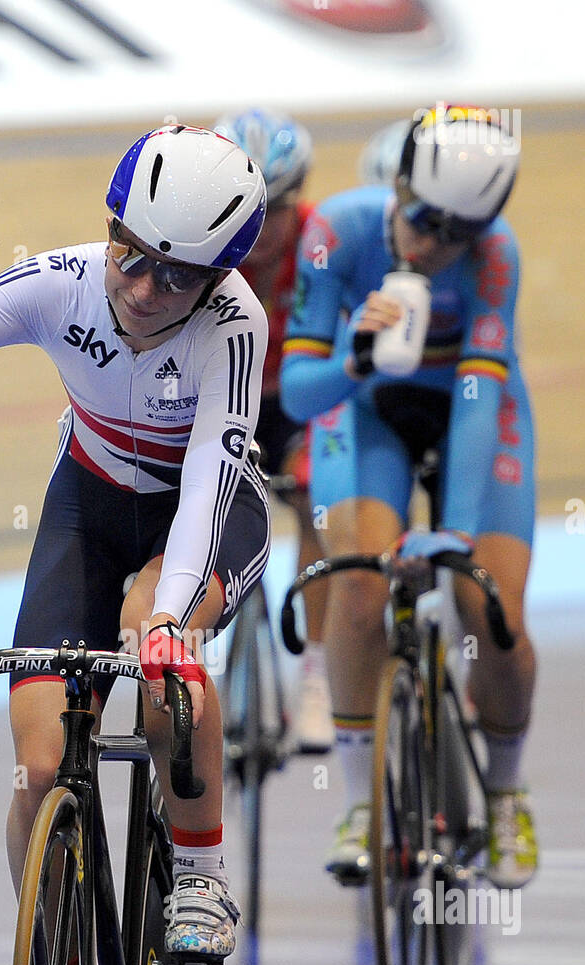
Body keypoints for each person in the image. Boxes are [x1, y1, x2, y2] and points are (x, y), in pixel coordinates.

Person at [0, 125, 270, 959]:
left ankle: (198, 874)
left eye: (178, 273)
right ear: (111, 227)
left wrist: (167, 619)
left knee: (155, 641)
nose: (147, 287)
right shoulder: (60, 282)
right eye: (132, 254)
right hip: (84, 507)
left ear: (217, 277)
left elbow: (202, 486)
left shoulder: (236, 325)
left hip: (203, 515)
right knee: (41, 768)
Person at [280, 104, 539, 890]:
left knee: (486, 608)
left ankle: (503, 791)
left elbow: (475, 396)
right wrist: (355, 361)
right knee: (357, 581)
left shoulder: (496, 257)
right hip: (363, 412)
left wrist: (453, 531)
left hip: (472, 413)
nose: (435, 248)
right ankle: (360, 806)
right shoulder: (336, 231)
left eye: (457, 234)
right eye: (424, 223)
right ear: (395, 186)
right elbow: (297, 393)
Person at [213, 108, 332, 753]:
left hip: (297, 400)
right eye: (247, 211)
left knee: (319, 500)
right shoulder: (200, 240)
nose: (261, 231)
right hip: (224, 397)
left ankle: (315, 675)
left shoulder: (323, 240)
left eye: (277, 209)